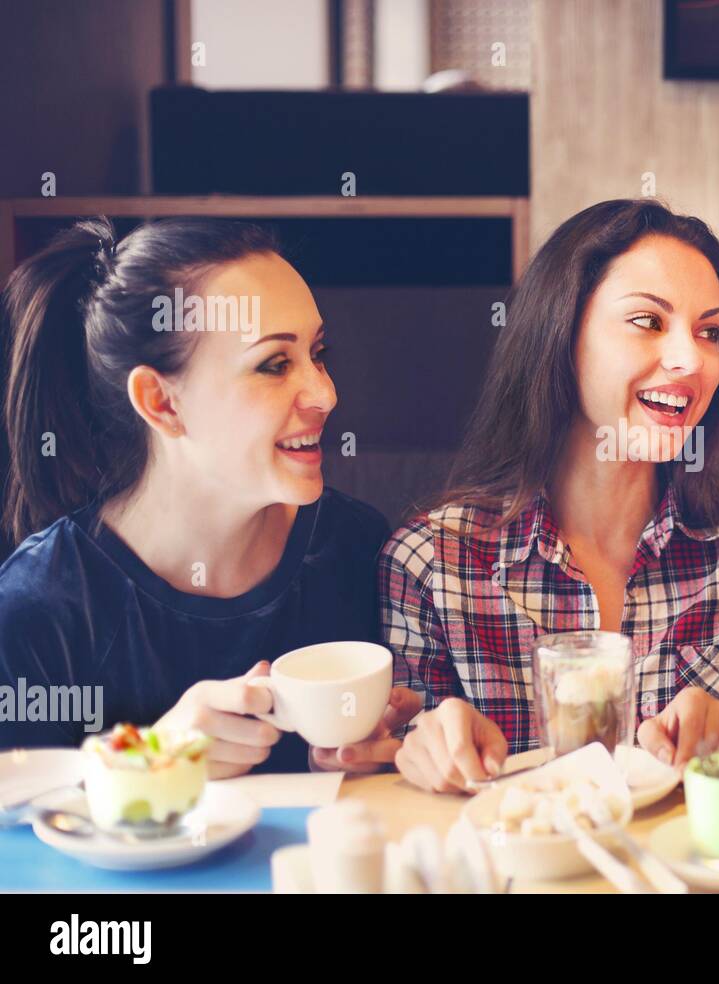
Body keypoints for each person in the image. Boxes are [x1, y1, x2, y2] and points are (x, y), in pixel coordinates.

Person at [382, 200, 719, 792]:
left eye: (709, 332)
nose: (690, 359)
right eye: (648, 321)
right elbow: (409, 812)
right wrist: (424, 753)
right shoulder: (432, 562)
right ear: (560, 333)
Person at [0, 217, 419, 775]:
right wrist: (148, 760)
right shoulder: (39, 610)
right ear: (162, 403)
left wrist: (386, 760)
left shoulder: (358, 547)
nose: (325, 393)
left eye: (317, 353)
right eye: (274, 364)